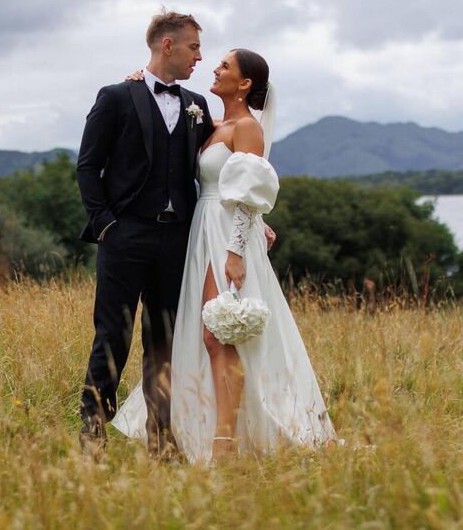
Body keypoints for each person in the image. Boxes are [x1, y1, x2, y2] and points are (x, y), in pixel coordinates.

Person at [111, 49, 339, 462]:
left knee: (219, 335)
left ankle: (224, 443)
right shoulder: (215, 124)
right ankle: (210, 432)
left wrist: (236, 251)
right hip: (202, 229)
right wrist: (138, 85)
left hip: (226, 237)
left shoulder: (248, 128)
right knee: (209, 336)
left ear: (245, 83)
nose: (214, 69)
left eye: (224, 66)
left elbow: (248, 196)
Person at [75, 10, 215, 457]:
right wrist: (106, 226)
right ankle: (92, 435)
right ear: (167, 46)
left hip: (178, 241)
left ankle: (161, 440)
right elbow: (87, 166)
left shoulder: (198, 105)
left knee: (167, 338)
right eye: (194, 46)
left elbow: (218, 168)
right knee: (113, 335)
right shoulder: (116, 96)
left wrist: (252, 215)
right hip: (126, 236)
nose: (200, 56)